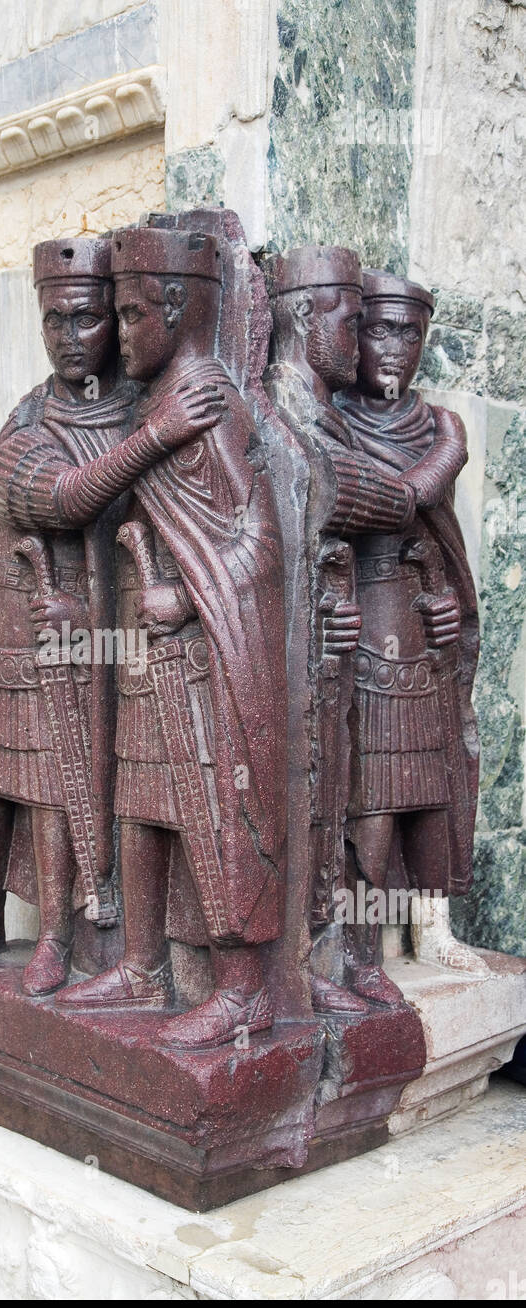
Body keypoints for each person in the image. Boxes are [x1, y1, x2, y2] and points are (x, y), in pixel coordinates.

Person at [0, 234, 223, 996]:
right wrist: (159, 436)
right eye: (55, 321)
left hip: (92, 644)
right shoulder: (30, 421)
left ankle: (59, 936)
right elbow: (60, 498)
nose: (71, 338)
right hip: (13, 626)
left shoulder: (140, 408)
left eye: (90, 319)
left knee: (53, 787)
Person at [54, 225, 288, 1050]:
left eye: (129, 315)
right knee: (143, 808)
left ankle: (245, 990)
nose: (118, 337)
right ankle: (143, 965)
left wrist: (186, 596)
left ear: (178, 310)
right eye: (110, 315)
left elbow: (257, 538)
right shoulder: (159, 402)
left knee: (215, 812)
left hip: (199, 655)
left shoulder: (208, 403)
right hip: (150, 657)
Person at [338, 270, 484, 974]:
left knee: (431, 788)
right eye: (379, 329)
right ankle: (364, 935)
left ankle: (434, 928)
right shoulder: (328, 422)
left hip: (421, 634)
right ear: (352, 334)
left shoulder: (437, 424)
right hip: (360, 636)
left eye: (410, 332)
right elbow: (344, 520)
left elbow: (441, 541)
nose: (396, 347)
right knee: (367, 794)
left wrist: (453, 601)